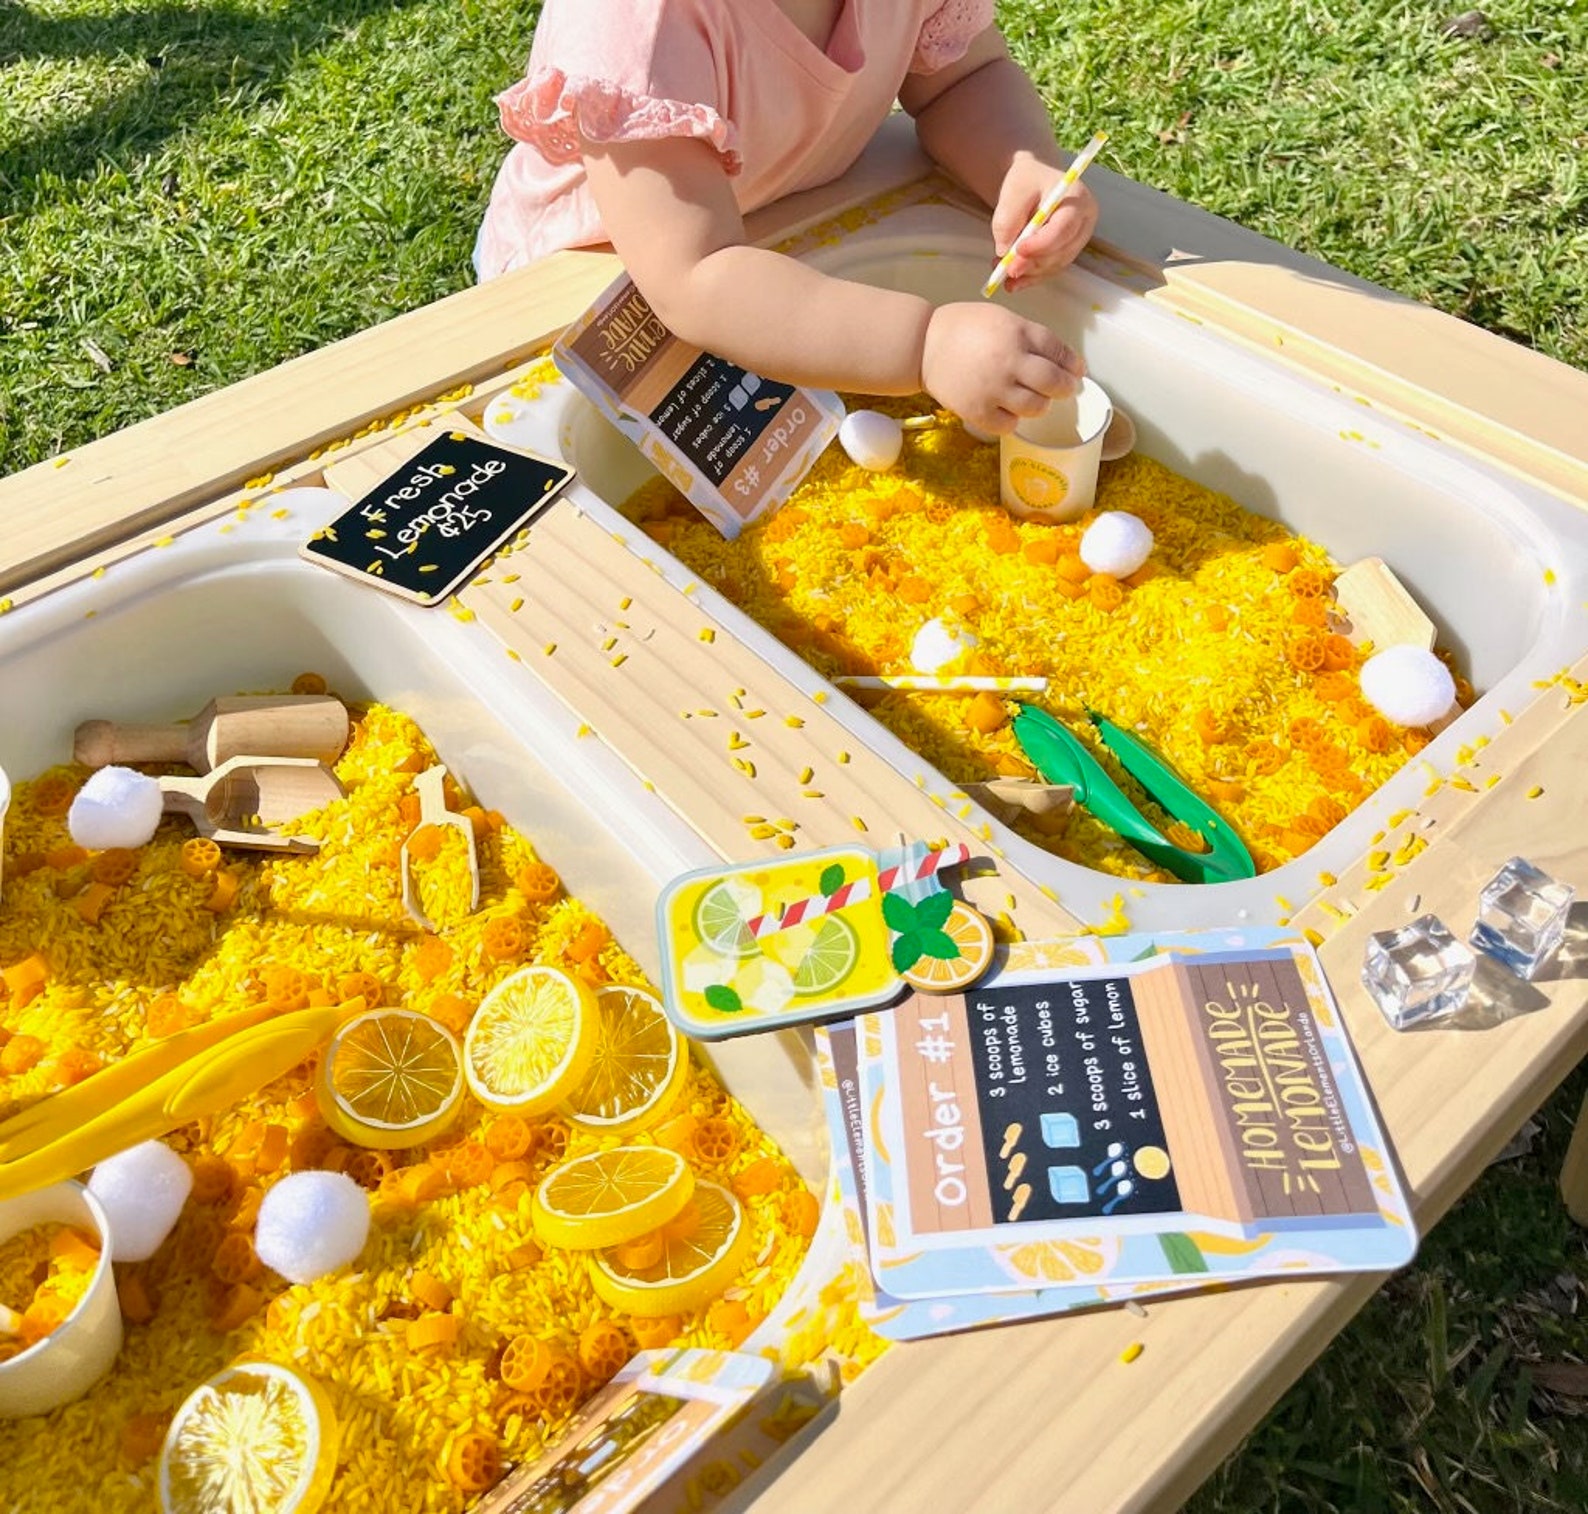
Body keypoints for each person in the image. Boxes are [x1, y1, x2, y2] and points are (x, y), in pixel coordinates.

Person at [475, 0, 1096, 435]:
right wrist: (928, 346)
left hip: (782, 223)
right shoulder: (639, 22)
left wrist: (1019, 165)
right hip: (594, 287)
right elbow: (696, 278)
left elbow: (964, 81)